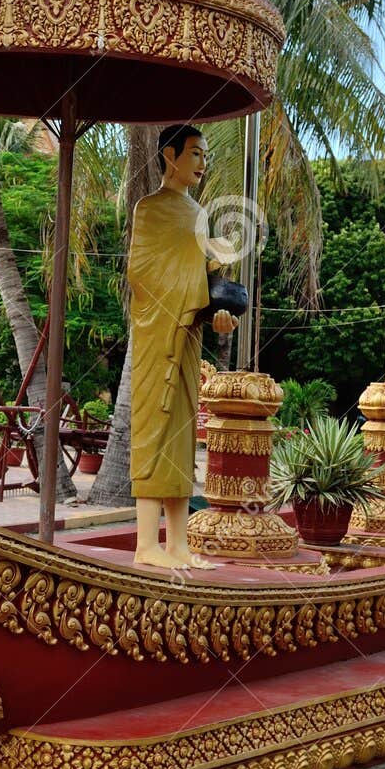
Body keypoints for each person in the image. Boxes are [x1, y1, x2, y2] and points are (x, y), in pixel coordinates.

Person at [126, 124, 237, 569]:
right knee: (154, 426)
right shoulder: (149, 209)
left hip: (188, 332)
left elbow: (203, 277)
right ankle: (145, 545)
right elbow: (142, 272)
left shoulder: (198, 213)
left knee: (181, 434)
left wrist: (217, 310)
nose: (202, 163)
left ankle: (178, 544)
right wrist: (197, 280)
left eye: (205, 155)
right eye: (194, 153)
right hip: (158, 332)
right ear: (169, 155)